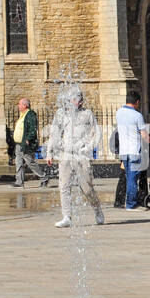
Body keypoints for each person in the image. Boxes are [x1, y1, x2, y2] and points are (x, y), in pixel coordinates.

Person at [46, 89, 103, 227]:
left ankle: (97, 210)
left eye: (74, 99)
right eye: (70, 99)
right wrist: (49, 152)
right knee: (64, 186)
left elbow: (97, 133)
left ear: (80, 101)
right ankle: (67, 216)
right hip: (66, 154)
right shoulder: (61, 114)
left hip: (81, 155)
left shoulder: (87, 114)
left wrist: (88, 147)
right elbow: (54, 133)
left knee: (87, 188)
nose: (71, 102)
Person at [114, 90, 150, 210]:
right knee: (132, 179)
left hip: (124, 152)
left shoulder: (119, 113)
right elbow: (144, 135)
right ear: (137, 102)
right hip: (134, 151)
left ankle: (125, 201)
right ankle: (131, 203)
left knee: (128, 177)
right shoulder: (137, 115)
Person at [10, 97, 48, 188]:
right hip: (19, 143)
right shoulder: (22, 114)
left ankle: (44, 177)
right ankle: (19, 181)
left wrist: (28, 139)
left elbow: (32, 129)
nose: (18, 106)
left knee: (30, 162)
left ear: (25, 105)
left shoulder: (30, 114)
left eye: (19, 104)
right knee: (18, 162)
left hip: (25, 143)